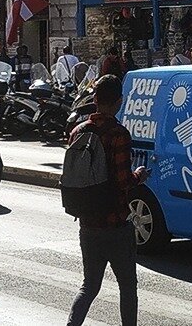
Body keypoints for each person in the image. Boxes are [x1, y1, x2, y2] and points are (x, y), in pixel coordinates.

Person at [66, 75, 149, 326]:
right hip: (115, 224)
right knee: (127, 287)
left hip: (88, 222)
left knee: (89, 286)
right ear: (119, 102)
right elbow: (123, 180)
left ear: (94, 100)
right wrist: (139, 176)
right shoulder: (118, 134)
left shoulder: (78, 132)